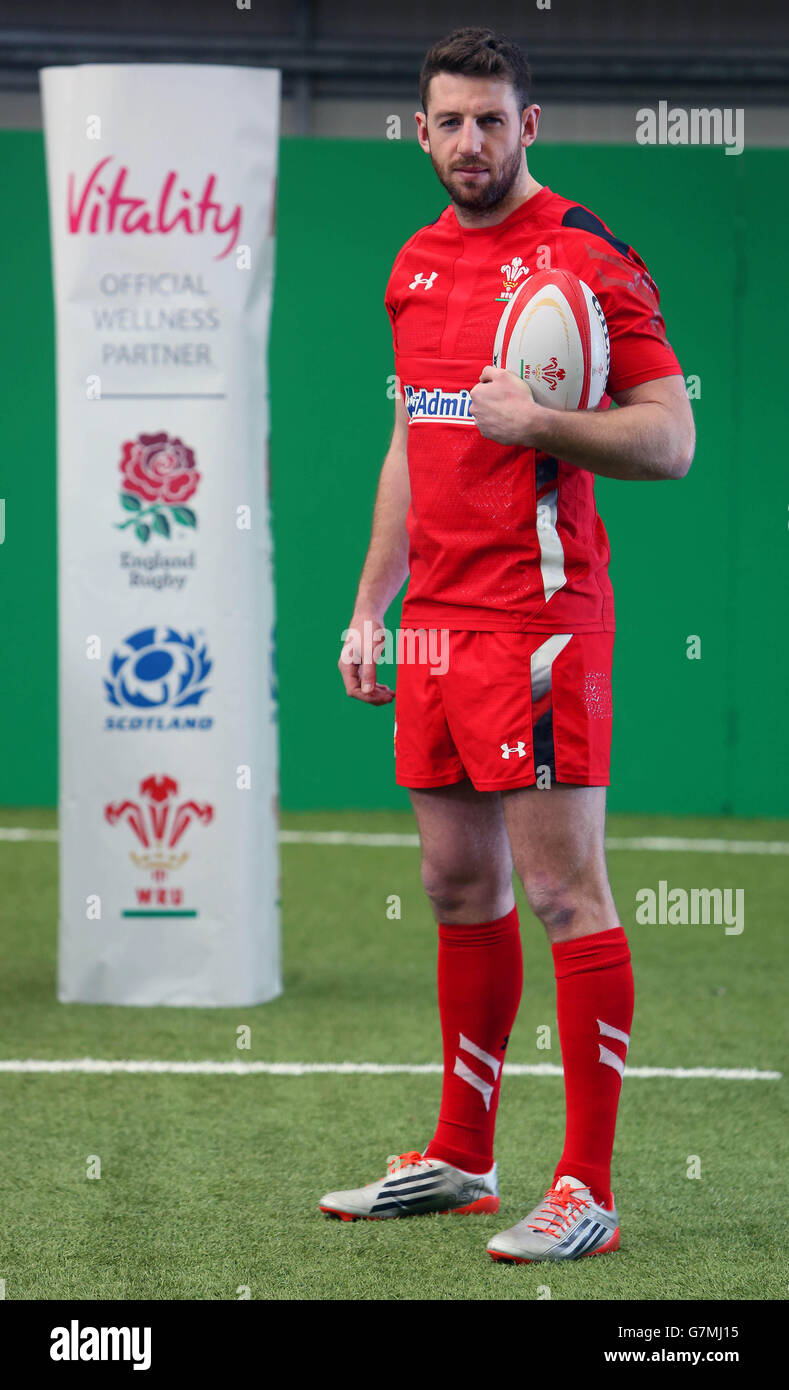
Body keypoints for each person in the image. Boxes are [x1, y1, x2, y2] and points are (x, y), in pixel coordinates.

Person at [323, 26, 694, 1263]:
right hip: (433, 624)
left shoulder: (589, 257)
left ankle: (585, 1188)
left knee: (559, 889)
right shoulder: (415, 264)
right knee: (454, 885)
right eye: (449, 122)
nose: (470, 143)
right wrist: (375, 605)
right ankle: (462, 1160)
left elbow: (670, 438)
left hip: (538, 622)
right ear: (419, 131)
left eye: (492, 120)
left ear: (529, 125)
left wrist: (542, 420)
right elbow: (409, 448)